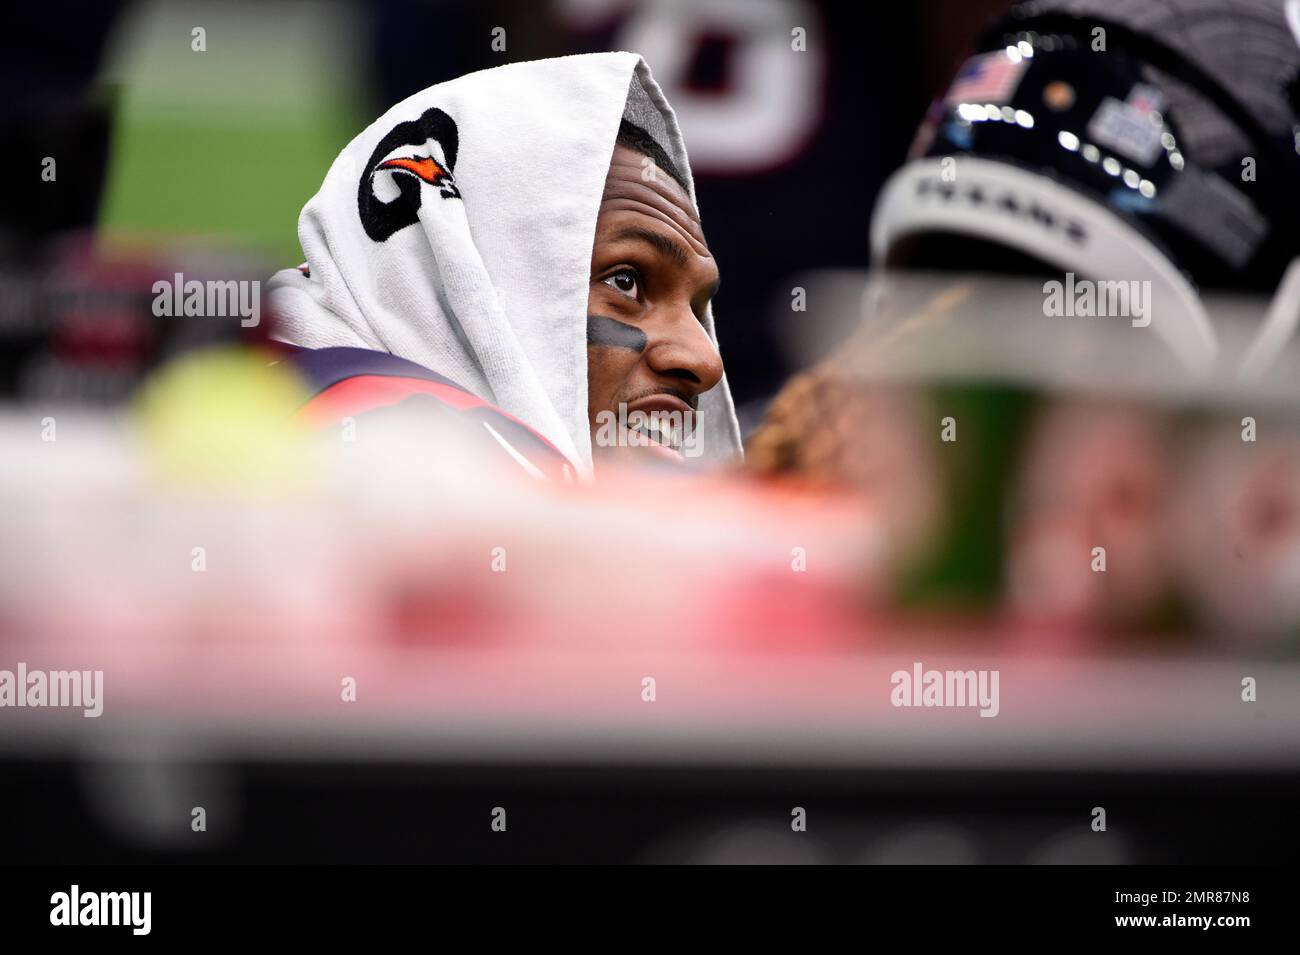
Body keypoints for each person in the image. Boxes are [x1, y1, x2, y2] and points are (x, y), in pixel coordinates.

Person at [267, 53, 741, 480]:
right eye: (626, 281)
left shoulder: (264, 379)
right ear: (457, 271)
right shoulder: (424, 465)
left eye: (699, 309)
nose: (704, 360)